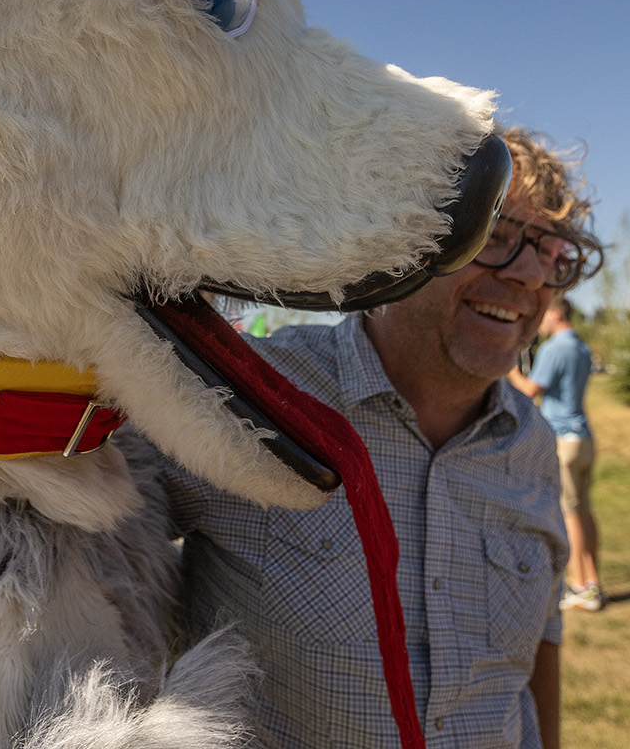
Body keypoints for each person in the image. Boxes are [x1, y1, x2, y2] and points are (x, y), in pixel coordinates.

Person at [164, 126, 602, 749]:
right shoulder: (246, 393)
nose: (531, 275)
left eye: (553, 253)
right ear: (401, 243)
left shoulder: (529, 442)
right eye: (494, 236)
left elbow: (541, 642)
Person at [509, 299, 603, 612]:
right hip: (584, 438)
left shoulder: (553, 348)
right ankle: (592, 581)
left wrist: (509, 368)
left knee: (569, 515)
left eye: (544, 313)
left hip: (563, 440)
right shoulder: (581, 347)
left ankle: (580, 586)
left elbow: (528, 391)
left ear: (556, 313)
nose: (539, 321)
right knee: (584, 511)